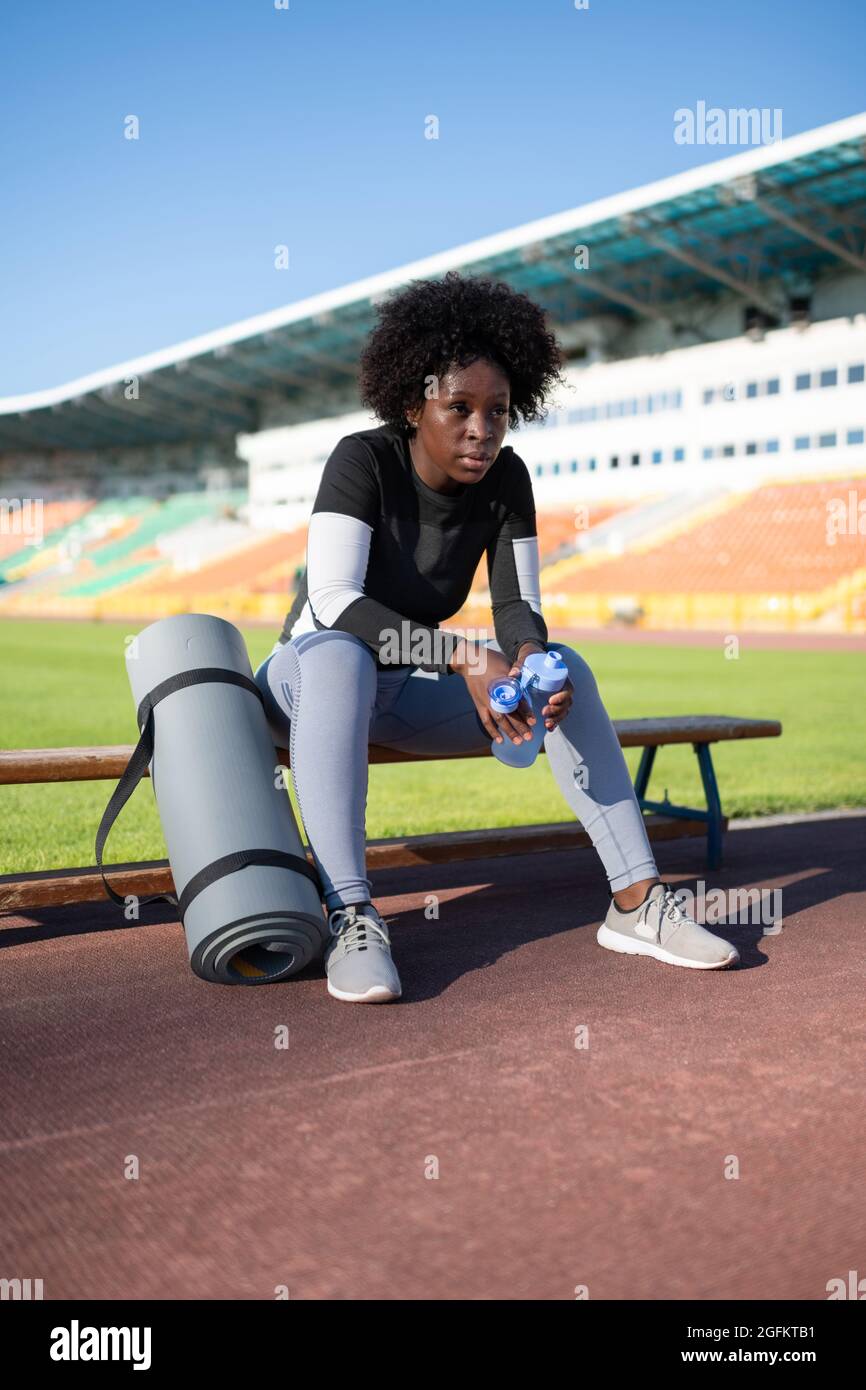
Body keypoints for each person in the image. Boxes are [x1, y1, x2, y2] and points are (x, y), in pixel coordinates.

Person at [254, 271, 739, 1002]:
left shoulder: (507, 479)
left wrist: (532, 657)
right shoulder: (362, 461)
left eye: (498, 411)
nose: (481, 429)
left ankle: (638, 903)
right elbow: (336, 603)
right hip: (306, 687)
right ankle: (351, 914)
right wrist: (459, 654)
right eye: (460, 407)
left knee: (563, 666)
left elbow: (518, 608)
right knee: (341, 657)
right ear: (415, 401)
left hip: (398, 695)